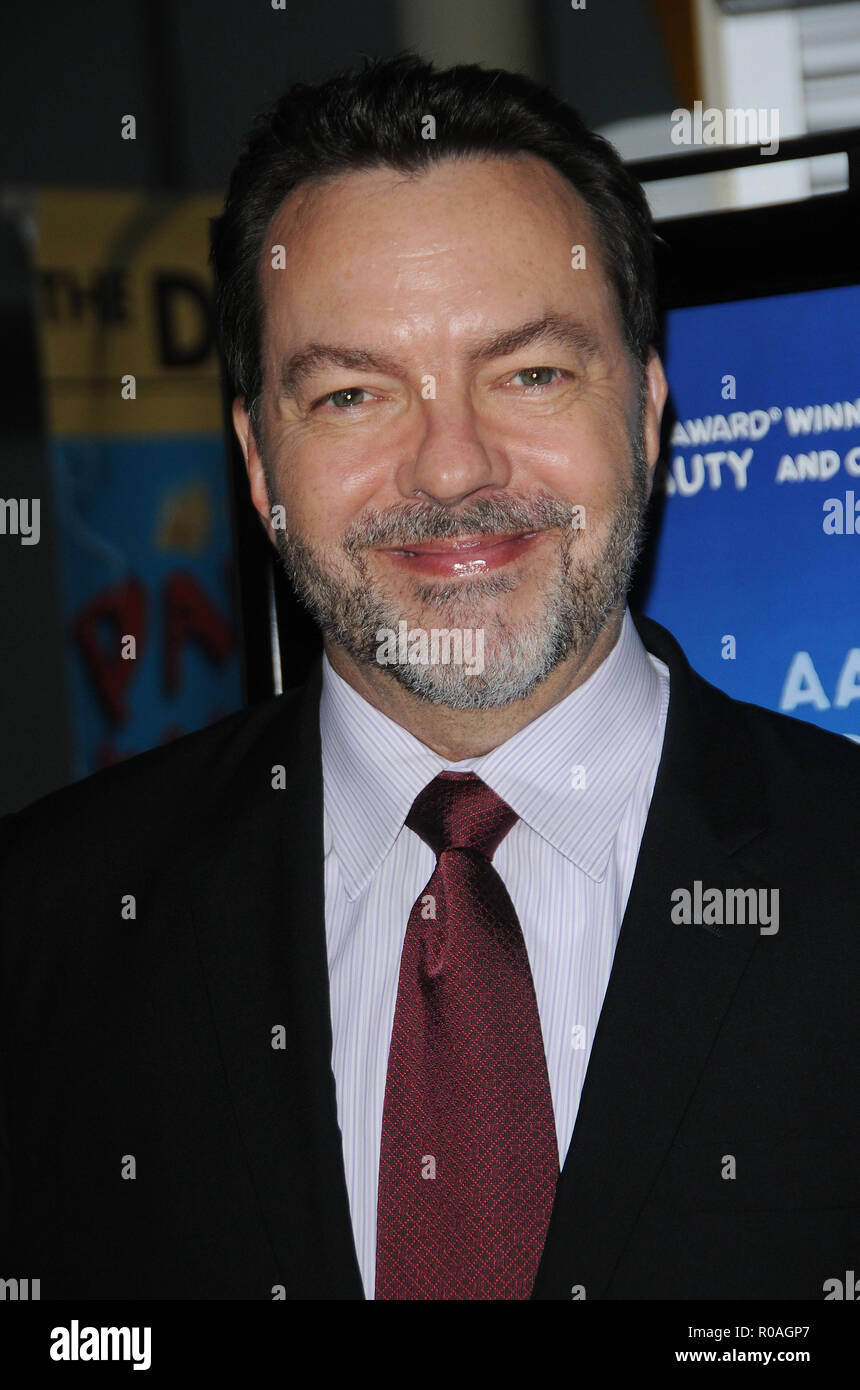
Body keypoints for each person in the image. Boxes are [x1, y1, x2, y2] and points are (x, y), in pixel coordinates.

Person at [1, 53, 857, 1302]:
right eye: (352, 393)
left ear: (651, 409)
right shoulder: (44, 939)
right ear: (256, 460)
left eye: (528, 373)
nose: (450, 469)